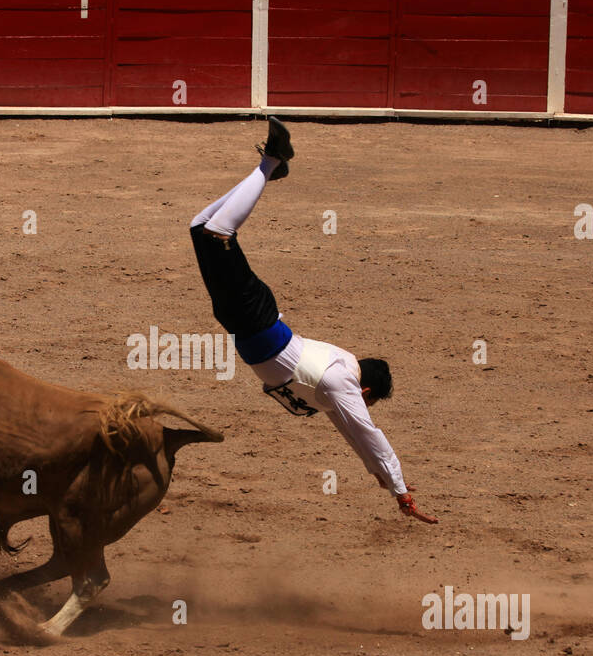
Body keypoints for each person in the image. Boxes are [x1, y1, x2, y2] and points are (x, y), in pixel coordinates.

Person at [186, 118, 437, 525]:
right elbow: (368, 433)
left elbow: (352, 434)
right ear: (365, 388)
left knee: (200, 227)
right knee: (217, 232)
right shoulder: (341, 379)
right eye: (367, 401)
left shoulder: (337, 380)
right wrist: (401, 490)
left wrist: (381, 478)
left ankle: (272, 166)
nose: (361, 407)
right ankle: (272, 162)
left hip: (245, 323)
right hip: (255, 319)